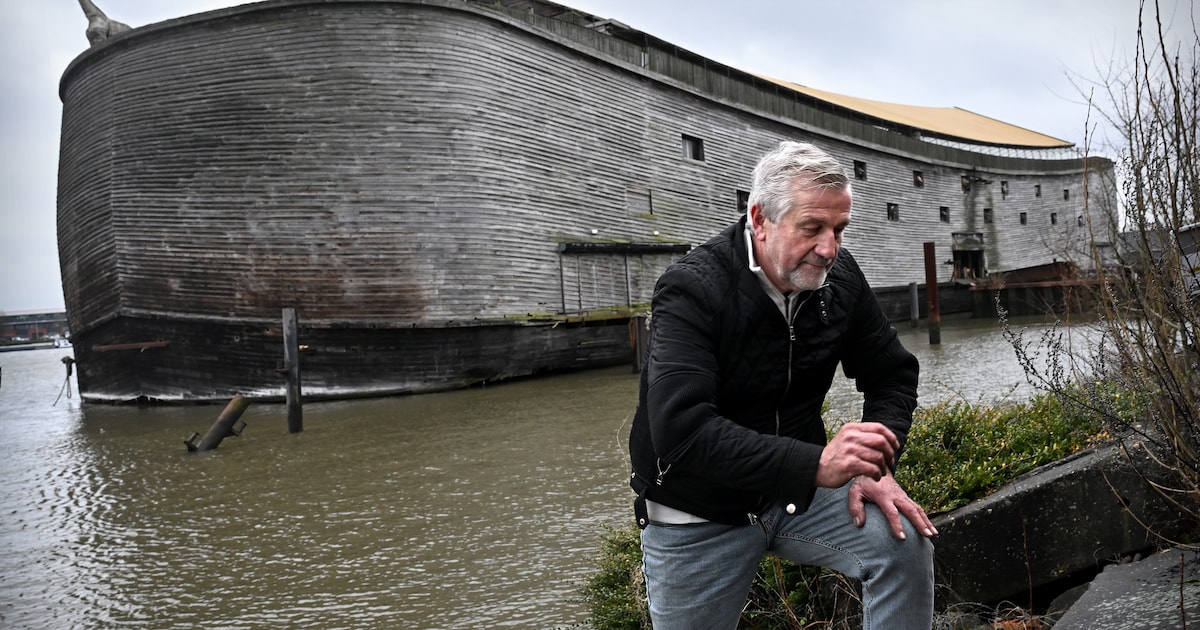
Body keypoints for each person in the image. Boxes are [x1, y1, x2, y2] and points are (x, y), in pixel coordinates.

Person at [628, 140, 936, 629]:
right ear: (760, 219)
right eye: (812, 228)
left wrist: (873, 466)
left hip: (801, 495)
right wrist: (817, 464)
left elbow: (892, 374)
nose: (829, 249)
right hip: (699, 510)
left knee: (902, 545)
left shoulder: (840, 279)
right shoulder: (693, 288)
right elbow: (681, 431)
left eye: (839, 229)